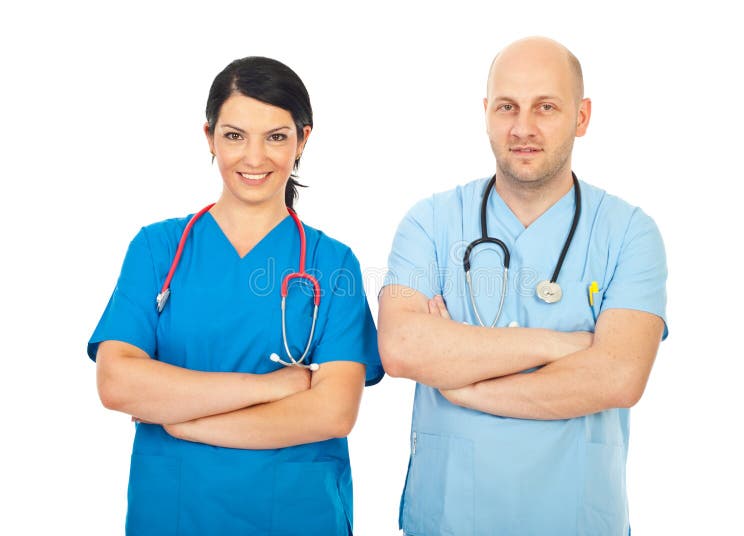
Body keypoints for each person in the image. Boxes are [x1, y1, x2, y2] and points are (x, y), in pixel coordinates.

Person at [379, 37, 667, 535]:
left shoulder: (629, 233)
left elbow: (618, 378)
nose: (523, 127)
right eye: (507, 106)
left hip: (574, 519)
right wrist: (564, 345)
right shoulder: (430, 222)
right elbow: (402, 347)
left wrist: (464, 386)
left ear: (581, 117)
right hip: (450, 519)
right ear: (486, 112)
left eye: (546, 107)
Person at [88, 57, 383, 535]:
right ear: (208, 137)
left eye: (276, 136)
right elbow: (118, 383)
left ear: (303, 140)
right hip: (174, 513)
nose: (254, 157)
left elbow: (332, 411)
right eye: (234, 135)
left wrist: (183, 422)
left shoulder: (333, 264)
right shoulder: (158, 248)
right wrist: (271, 387)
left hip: (295, 514)